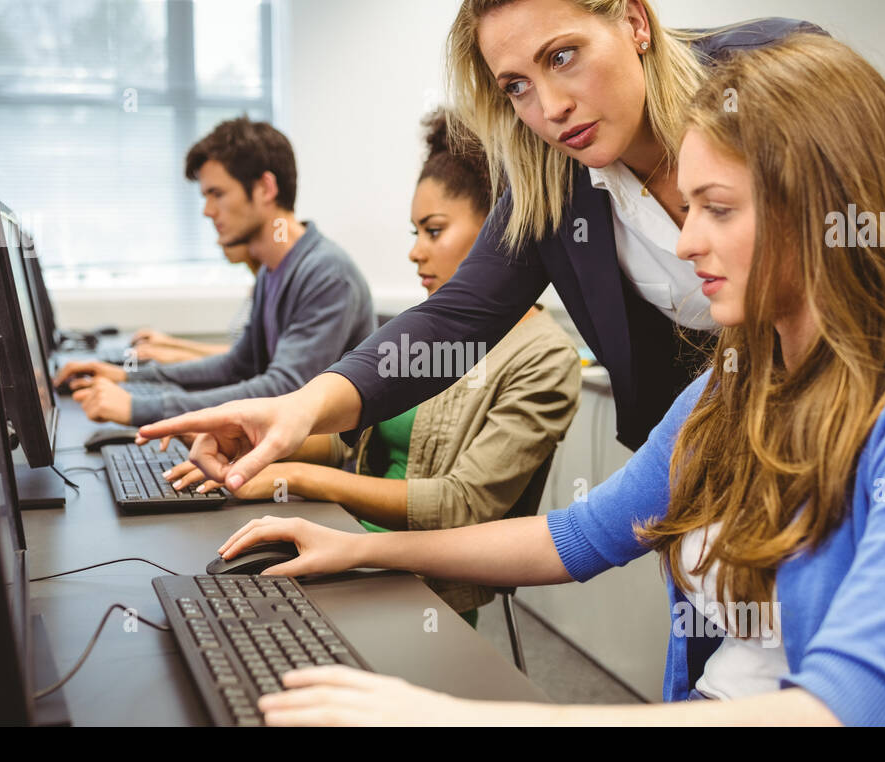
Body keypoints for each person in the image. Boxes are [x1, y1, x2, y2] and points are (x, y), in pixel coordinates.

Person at [203, 35, 885, 726]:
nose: (681, 243)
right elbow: (576, 538)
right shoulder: (737, 386)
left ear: (816, 210)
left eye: (718, 208)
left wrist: (464, 717)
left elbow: (841, 710)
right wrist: (354, 549)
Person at [135, 0, 885, 498]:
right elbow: (457, 318)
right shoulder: (553, 178)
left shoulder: (765, 82)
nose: (549, 107)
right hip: (709, 453)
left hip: (854, 437)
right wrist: (304, 408)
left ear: (632, 21)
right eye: (517, 84)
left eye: (565, 56)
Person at [166, 111, 582, 627]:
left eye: (434, 231)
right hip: (341, 537)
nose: (414, 251)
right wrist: (255, 450)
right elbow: (345, 442)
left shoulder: (543, 357)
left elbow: (461, 505)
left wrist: (293, 475)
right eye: (415, 232)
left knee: (236, 625)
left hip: (418, 582)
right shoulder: (426, 331)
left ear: (500, 236)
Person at [54, 116, 375, 426]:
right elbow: (238, 365)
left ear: (265, 188)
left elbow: (284, 390)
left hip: (333, 461)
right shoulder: (272, 270)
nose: (207, 211)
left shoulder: (327, 274)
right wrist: (127, 375)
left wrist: (142, 407)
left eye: (217, 194)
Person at [130, 243, 260, 364]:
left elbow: (248, 363)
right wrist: (169, 343)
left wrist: (178, 355)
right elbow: (237, 353)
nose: (219, 242)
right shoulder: (258, 283)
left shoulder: (272, 286)